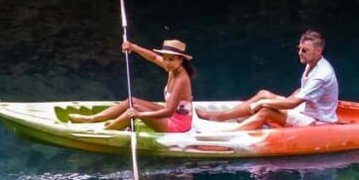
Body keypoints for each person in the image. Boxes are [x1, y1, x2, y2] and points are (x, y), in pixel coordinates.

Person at [197, 29, 338, 130]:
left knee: (266, 109)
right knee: (263, 94)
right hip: (304, 110)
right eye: (299, 49)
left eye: (304, 50)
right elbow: (301, 91)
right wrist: (276, 102)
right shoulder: (312, 63)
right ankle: (220, 116)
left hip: (317, 122)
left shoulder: (321, 74)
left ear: (318, 51)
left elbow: (292, 104)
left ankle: (229, 134)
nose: (300, 53)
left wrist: (265, 104)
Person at [68, 39, 194, 132]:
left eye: (171, 59)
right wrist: (133, 47)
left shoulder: (181, 79)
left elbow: (168, 112)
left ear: (181, 59)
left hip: (177, 125)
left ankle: (107, 130)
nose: (166, 63)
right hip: (172, 116)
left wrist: (140, 115)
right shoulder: (173, 68)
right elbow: (155, 57)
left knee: (136, 108)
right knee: (132, 101)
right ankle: (93, 118)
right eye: (165, 58)